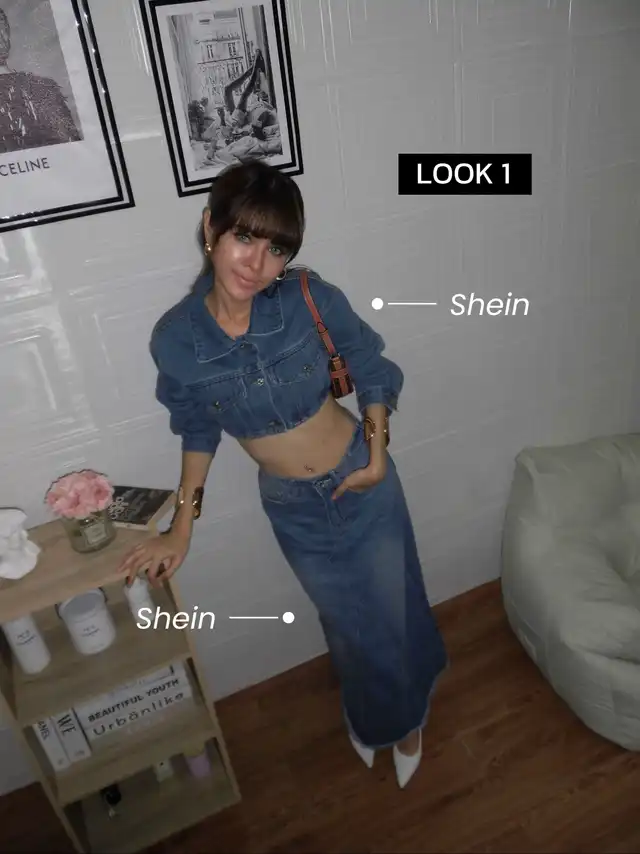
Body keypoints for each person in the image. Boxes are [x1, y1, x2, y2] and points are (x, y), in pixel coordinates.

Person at [117, 159, 448, 789]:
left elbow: (370, 365)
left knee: (394, 607)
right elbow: (197, 428)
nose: (257, 263)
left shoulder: (306, 299)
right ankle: (378, 711)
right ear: (210, 228)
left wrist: (377, 455)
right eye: (244, 237)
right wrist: (181, 528)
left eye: (276, 249)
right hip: (295, 507)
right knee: (348, 627)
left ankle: (403, 721)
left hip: (363, 478)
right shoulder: (176, 340)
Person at [0, 7, 81, 153]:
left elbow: (74, 151)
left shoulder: (41, 89)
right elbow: (75, 152)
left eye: (2, 26)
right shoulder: (41, 89)